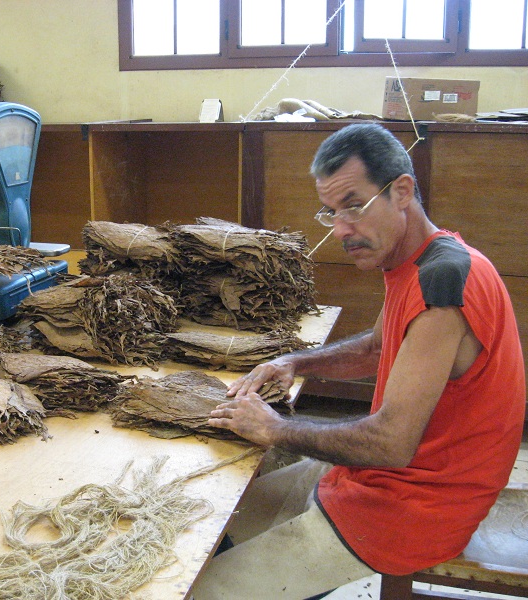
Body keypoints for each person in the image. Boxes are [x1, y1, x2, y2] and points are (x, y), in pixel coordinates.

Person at [193, 123, 525, 599]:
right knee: (216, 522)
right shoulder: (416, 260)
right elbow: (375, 348)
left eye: (354, 206)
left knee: (201, 591)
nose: (341, 230)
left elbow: (390, 444)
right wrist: (295, 363)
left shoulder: (443, 284)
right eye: (331, 213)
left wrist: (275, 429)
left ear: (401, 191)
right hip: (388, 478)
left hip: (422, 507)